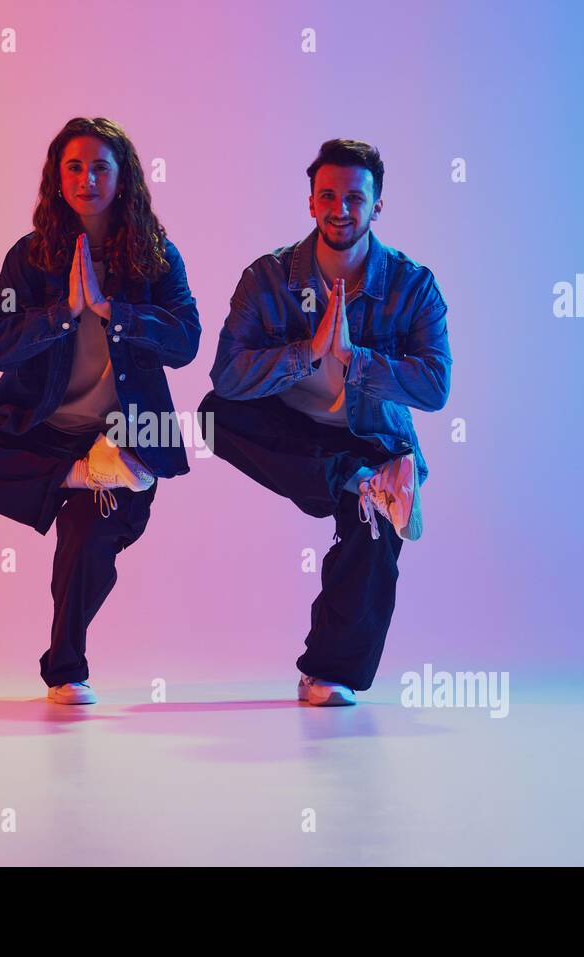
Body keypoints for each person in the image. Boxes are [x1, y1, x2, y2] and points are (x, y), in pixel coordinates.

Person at [0, 117, 200, 704]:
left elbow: (187, 342)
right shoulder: (31, 257)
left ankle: (66, 670)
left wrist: (113, 310)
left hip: (123, 443)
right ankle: (70, 476)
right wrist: (64, 311)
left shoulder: (156, 256)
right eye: (74, 167)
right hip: (40, 433)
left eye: (100, 166)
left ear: (124, 177)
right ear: (56, 177)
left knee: (85, 537)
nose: (87, 178)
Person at [199, 138, 451, 706]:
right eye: (328, 196)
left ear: (377, 206)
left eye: (355, 198)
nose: (340, 208)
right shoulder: (266, 278)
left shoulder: (414, 285)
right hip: (294, 431)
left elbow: (435, 387)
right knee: (214, 416)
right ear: (310, 202)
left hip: (372, 438)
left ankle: (328, 673)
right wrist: (310, 352)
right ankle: (357, 481)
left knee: (373, 536)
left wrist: (352, 358)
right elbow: (227, 376)